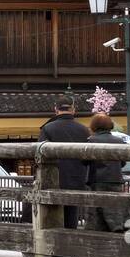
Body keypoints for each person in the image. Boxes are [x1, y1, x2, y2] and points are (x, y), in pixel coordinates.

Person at [39, 95, 90, 229]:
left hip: (53, 179)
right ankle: (70, 245)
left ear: (56, 110)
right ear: (73, 110)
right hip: (77, 178)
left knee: (50, 216)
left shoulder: (48, 128)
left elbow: (39, 155)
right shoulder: (84, 130)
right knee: (71, 215)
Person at [84, 114, 128, 232]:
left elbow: (84, 161)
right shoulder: (119, 141)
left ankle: (96, 231)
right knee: (115, 207)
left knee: (96, 208)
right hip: (115, 179)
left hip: (97, 179)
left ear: (94, 126)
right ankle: (117, 227)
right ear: (110, 126)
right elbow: (123, 162)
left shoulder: (91, 141)